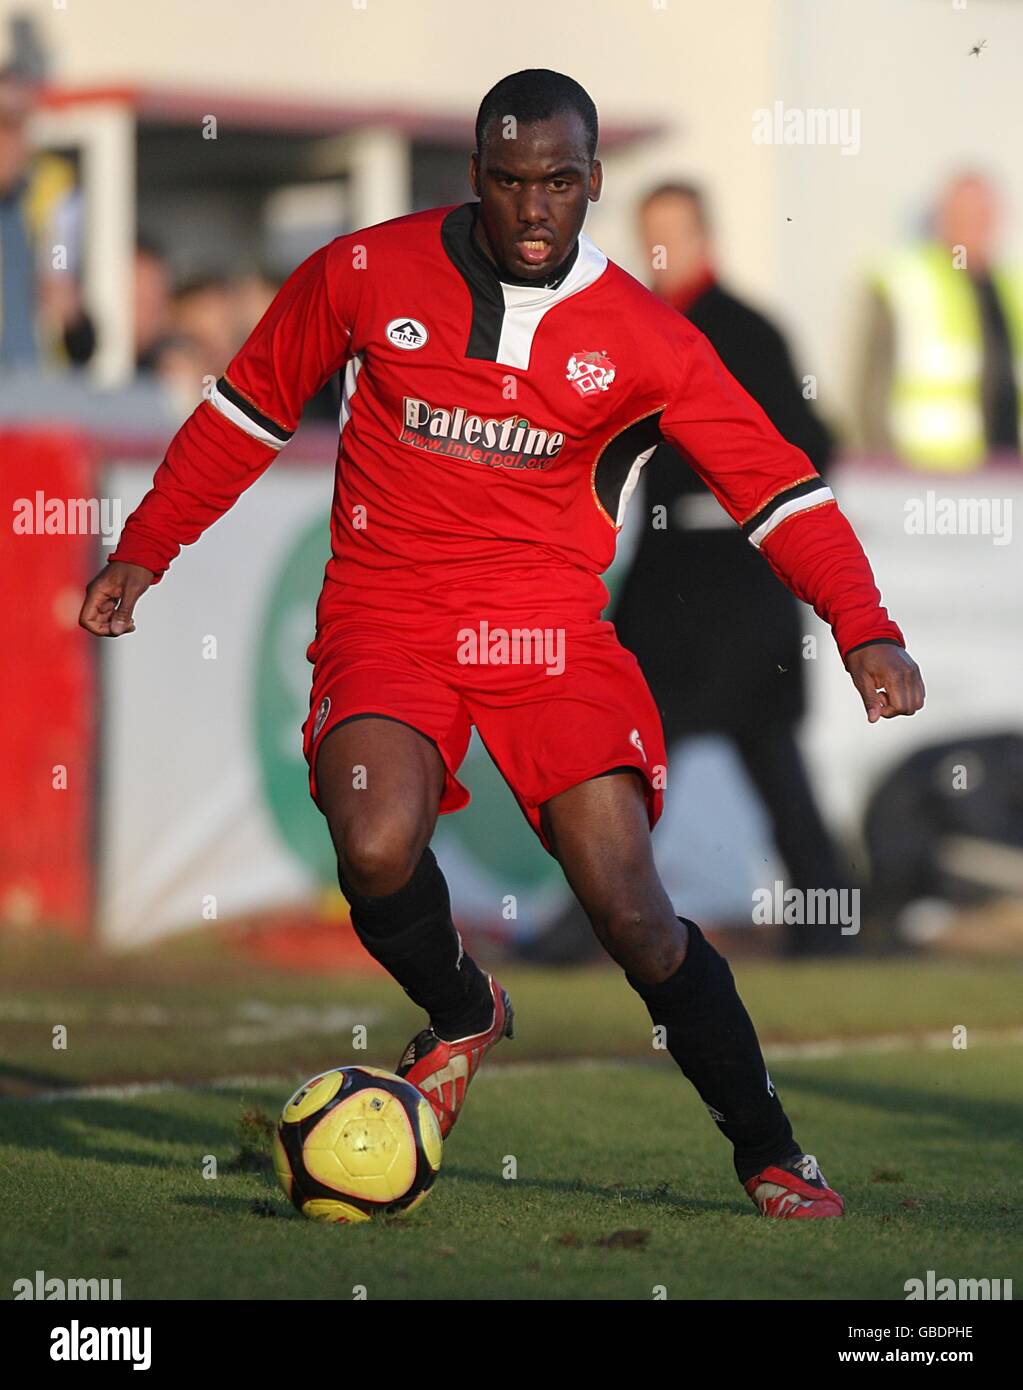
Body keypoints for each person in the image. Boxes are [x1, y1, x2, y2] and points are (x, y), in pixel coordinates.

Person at [80, 70, 924, 1220]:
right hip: (390, 612)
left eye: (562, 185)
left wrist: (865, 629)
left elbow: (780, 490)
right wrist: (145, 550)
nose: (535, 210)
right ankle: (467, 1006)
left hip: (553, 636)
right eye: (513, 182)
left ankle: (770, 1149)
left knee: (630, 907)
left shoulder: (645, 336)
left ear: (594, 184)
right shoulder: (364, 272)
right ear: (475, 175)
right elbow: (246, 410)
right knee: (374, 844)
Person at [612, 181, 852, 956]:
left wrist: (744, 506)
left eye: (672, 234)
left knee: (767, 752)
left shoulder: (746, 331)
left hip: (740, 580)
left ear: (704, 237)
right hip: (668, 578)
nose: (659, 253)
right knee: (629, 751)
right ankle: (598, 910)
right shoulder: (634, 329)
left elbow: (810, 445)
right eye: (648, 235)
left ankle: (829, 919)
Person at [856, 172, 1023, 469]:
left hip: (1005, 473)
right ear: (942, 220)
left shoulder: (1012, 288)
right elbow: (870, 390)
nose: (975, 228)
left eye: (982, 217)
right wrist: (882, 468)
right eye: (963, 217)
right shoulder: (905, 284)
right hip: (926, 475)